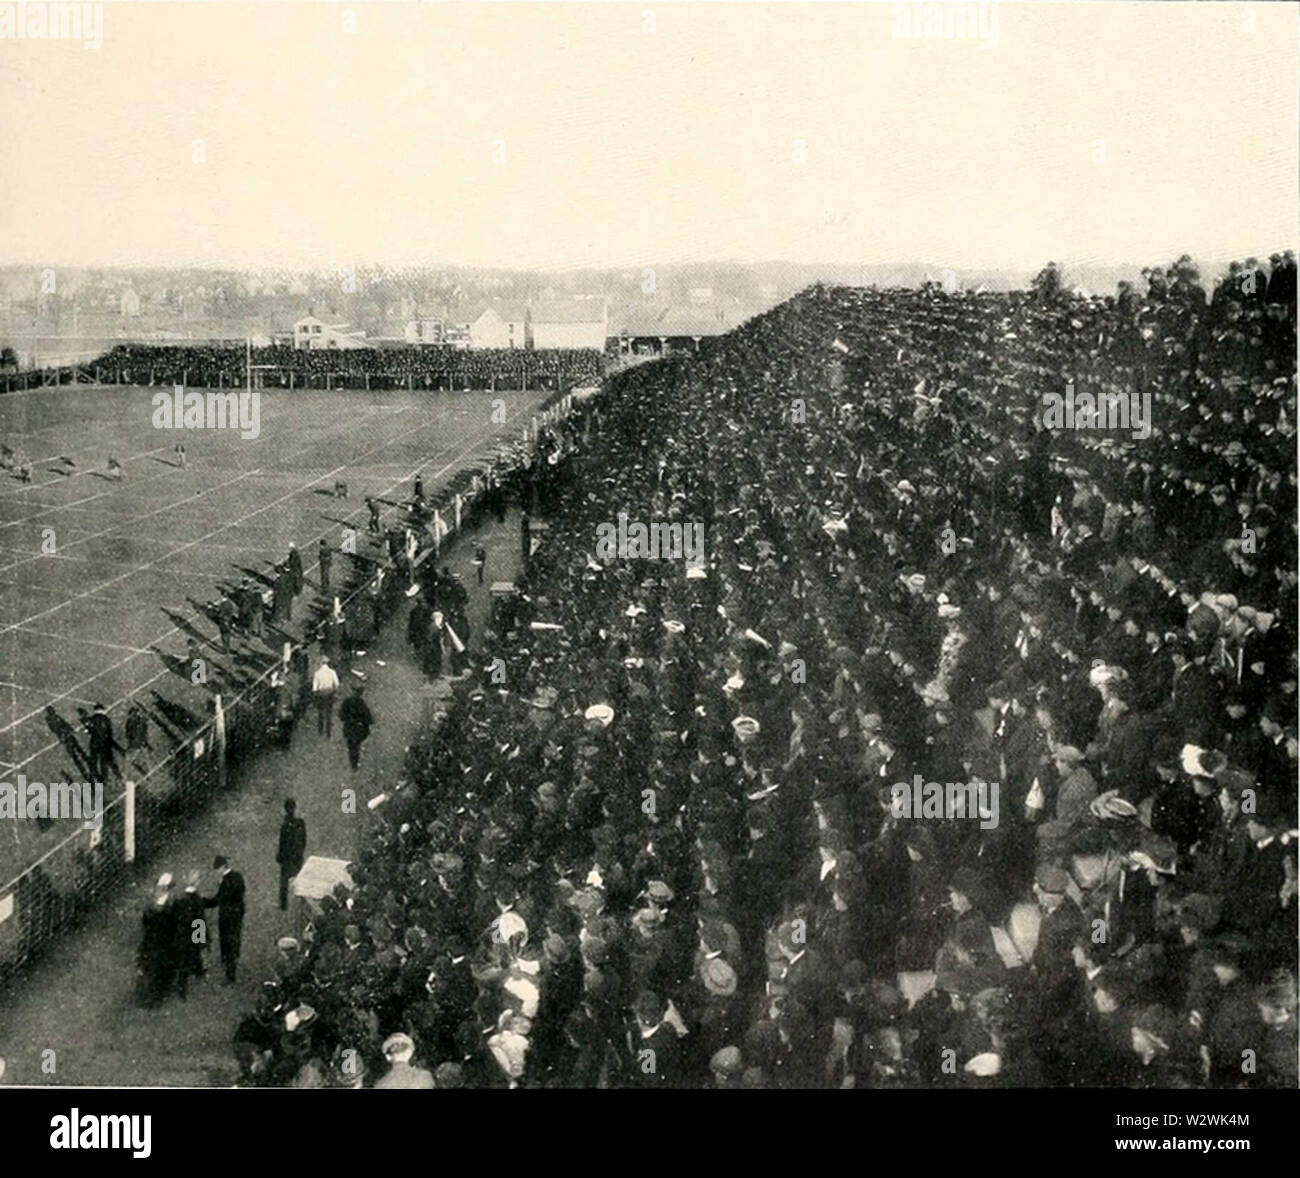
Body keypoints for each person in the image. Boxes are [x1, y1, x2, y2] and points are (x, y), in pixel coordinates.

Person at [204, 855, 246, 983]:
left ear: (222, 867)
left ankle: (230, 975)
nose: (216, 872)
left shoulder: (226, 881)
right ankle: (230, 967)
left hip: (227, 918)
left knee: (228, 945)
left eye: (217, 869)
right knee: (234, 942)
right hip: (237, 916)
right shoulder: (237, 876)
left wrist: (203, 902)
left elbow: (219, 899)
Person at [136, 874, 177, 1008]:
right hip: (162, 942)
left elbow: (145, 922)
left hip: (153, 941)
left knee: (151, 969)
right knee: (159, 969)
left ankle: (149, 997)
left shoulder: (152, 907)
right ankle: (155, 997)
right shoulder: (169, 907)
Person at [173, 870, 206, 999]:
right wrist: (200, 939)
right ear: (197, 883)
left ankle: (183, 986)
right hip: (193, 934)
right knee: (194, 956)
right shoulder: (197, 900)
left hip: (181, 934)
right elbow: (199, 920)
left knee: (183, 961)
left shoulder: (179, 900)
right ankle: (197, 972)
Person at [276, 799, 307, 912]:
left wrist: (280, 856)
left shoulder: (285, 825)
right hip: (297, 856)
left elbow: (282, 842)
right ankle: (299, 903)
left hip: (287, 857)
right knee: (298, 878)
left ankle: (283, 904)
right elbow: (303, 840)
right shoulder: (300, 823)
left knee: (284, 881)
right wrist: (300, 851)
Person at [340, 681, 374, 772]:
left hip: (350, 729)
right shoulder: (362, 703)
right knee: (356, 746)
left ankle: (353, 763)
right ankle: (354, 763)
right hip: (359, 730)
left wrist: (350, 720)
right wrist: (362, 722)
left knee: (351, 747)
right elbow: (369, 718)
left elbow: (342, 716)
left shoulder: (347, 702)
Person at [84, 702, 120, 783]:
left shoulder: (91, 719)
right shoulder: (106, 719)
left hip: (94, 743)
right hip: (104, 743)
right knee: (103, 762)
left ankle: (92, 775)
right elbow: (110, 732)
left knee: (94, 760)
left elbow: (88, 731)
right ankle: (105, 778)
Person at [312, 655, 340, 738]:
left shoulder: (317, 674)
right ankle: (328, 733)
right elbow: (337, 684)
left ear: (321, 663)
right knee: (329, 713)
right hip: (330, 694)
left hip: (321, 695)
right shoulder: (332, 672)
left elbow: (314, 688)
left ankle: (320, 730)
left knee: (320, 713)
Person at [123, 702, 152, 772]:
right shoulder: (141, 721)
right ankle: (151, 771)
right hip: (142, 742)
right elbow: (145, 730)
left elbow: (128, 734)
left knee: (128, 760)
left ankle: (125, 776)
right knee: (146, 757)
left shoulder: (129, 722)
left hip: (134, 744)